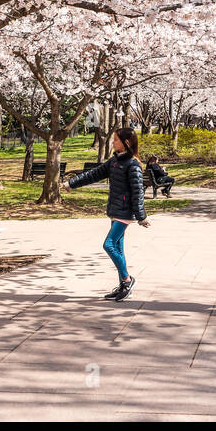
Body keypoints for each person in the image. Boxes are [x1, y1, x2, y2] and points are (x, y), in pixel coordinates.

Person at [69, 126, 148, 301]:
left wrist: (141, 216)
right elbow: (93, 174)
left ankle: (127, 280)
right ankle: (123, 286)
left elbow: (138, 192)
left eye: (116, 139)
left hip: (125, 212)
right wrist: (71, 184)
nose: (113, 142)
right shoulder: (114, 162)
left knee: (109, 245)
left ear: (126, 143)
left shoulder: (133, 165)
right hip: (115, 209)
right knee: (118, 247)